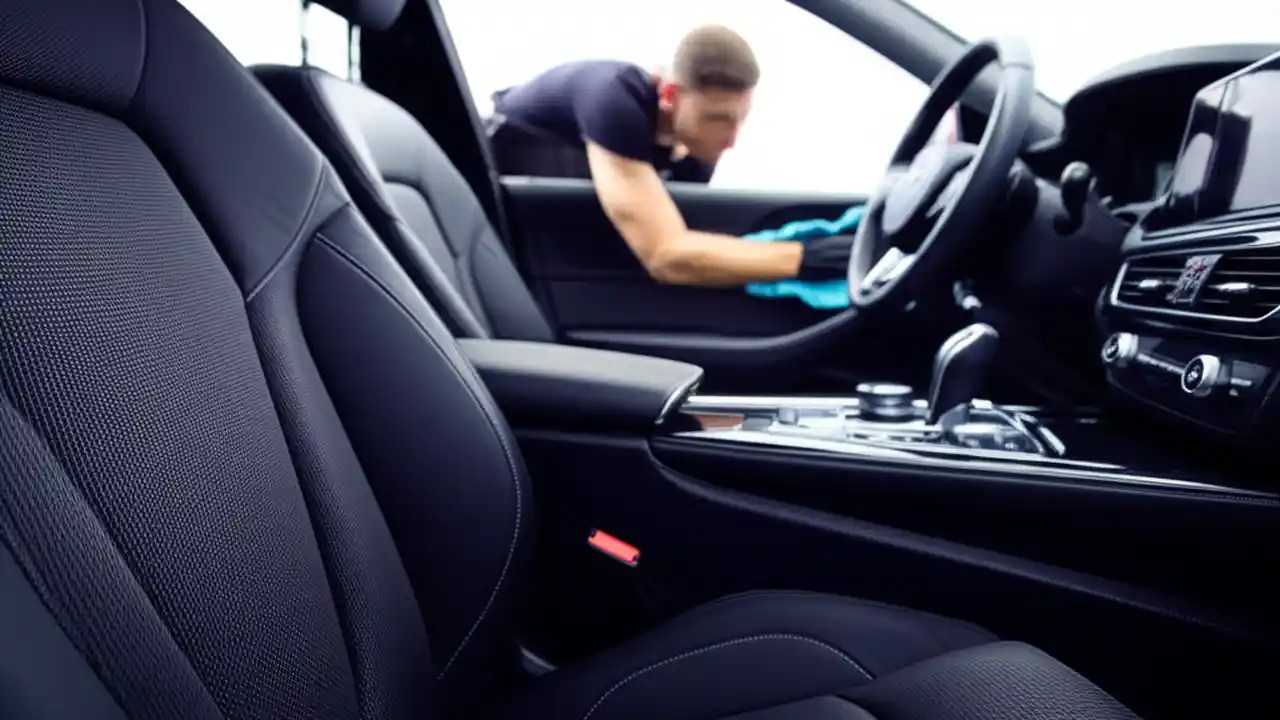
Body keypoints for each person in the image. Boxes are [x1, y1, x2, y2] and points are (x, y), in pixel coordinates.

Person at [484, 24, 855, 288]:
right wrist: (810, 258)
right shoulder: (614, 97)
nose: (730, 141)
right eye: (717, 119)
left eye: (741, 119)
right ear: (672, 95)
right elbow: (665, 256)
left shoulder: (692, 145)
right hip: (488, 203)